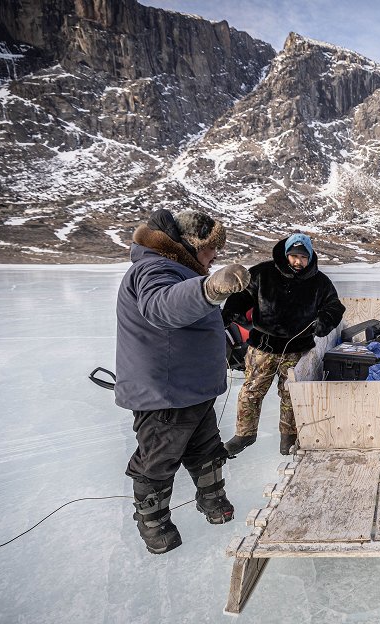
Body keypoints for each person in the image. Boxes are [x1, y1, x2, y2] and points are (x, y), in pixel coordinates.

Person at [115, 208, 250, 555]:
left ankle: (212, 500)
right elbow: (162, 307)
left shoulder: (180, 270)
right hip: (166, 392)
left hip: (192, 388)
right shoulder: (154, 268)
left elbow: (191, 325)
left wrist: (227, 340)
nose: (215, 255)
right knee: (157, 461)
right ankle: (154, 524)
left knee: (206, 449)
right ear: (191, 244)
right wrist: (209, 289)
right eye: (211, 248)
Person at [221, 233, 345, 456]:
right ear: (286, 254)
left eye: (303, 257)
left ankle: (288, 438)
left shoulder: (319, 282)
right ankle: (244, 434)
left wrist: (324, 321)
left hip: (296, 349)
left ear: (310, 257)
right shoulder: (262, 273)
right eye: (294, 256)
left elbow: (334, 306)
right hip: (262, 347)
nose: (298, 261)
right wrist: (232, 312)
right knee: (251, 391)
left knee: (290, 395)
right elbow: (241, 297)